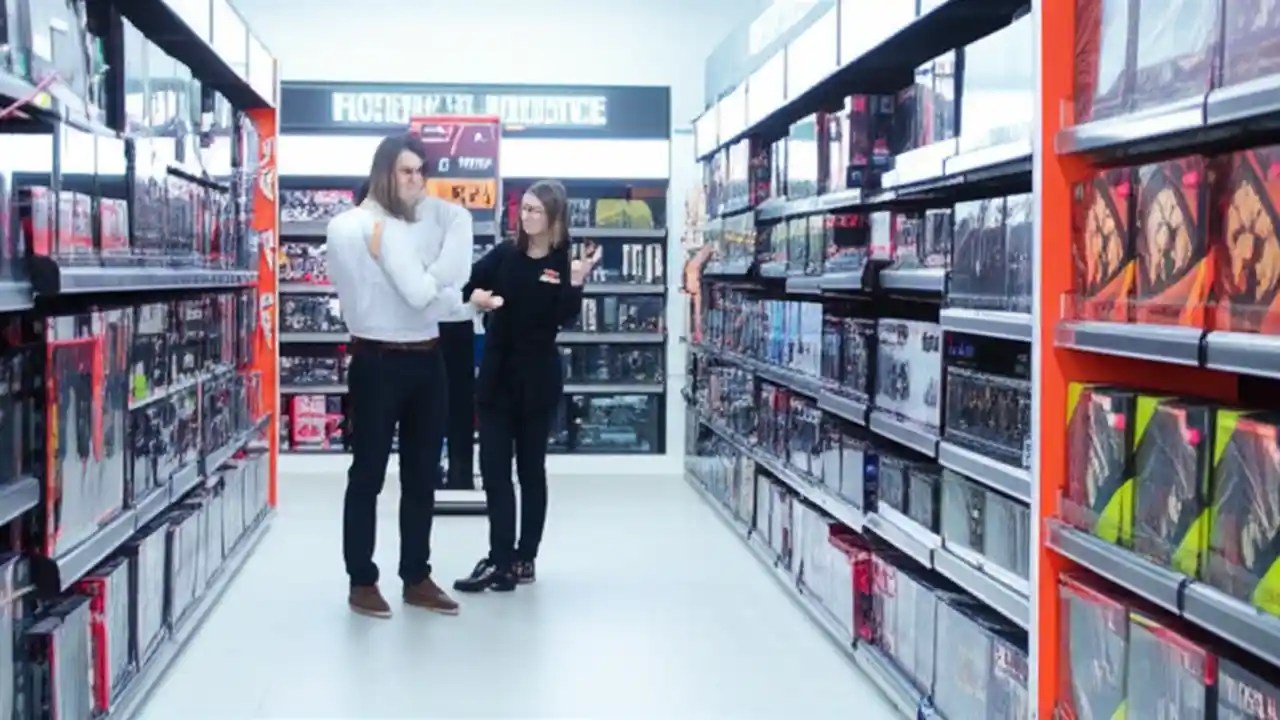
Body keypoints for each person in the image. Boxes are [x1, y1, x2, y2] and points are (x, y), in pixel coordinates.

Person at [326, 133, 473, 618]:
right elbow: (421, 294)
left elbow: (434, 286)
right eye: (407, 171)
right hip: (381, 360)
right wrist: (454, 294)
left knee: (415, 474)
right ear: (384, 171)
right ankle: (367, 579)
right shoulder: (372, 229)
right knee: (371, 474)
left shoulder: (374, 226)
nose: (417, 181)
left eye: (420, 171)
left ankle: (411, 575)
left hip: (424, 359)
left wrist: (440, 288)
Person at [453, 179, 601, 592]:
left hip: (538, 379)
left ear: (554, 218)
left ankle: (525, 557)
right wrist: (480, 299)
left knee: (531, 470)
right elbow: (468, 283)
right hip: (498, 375)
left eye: (537, 210)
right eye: (526, 209)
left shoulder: (562, 263)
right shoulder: (504, 255)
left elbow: (566, 318)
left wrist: (577, 281)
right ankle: (500, 560)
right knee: (494, 469)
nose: (527, 217)